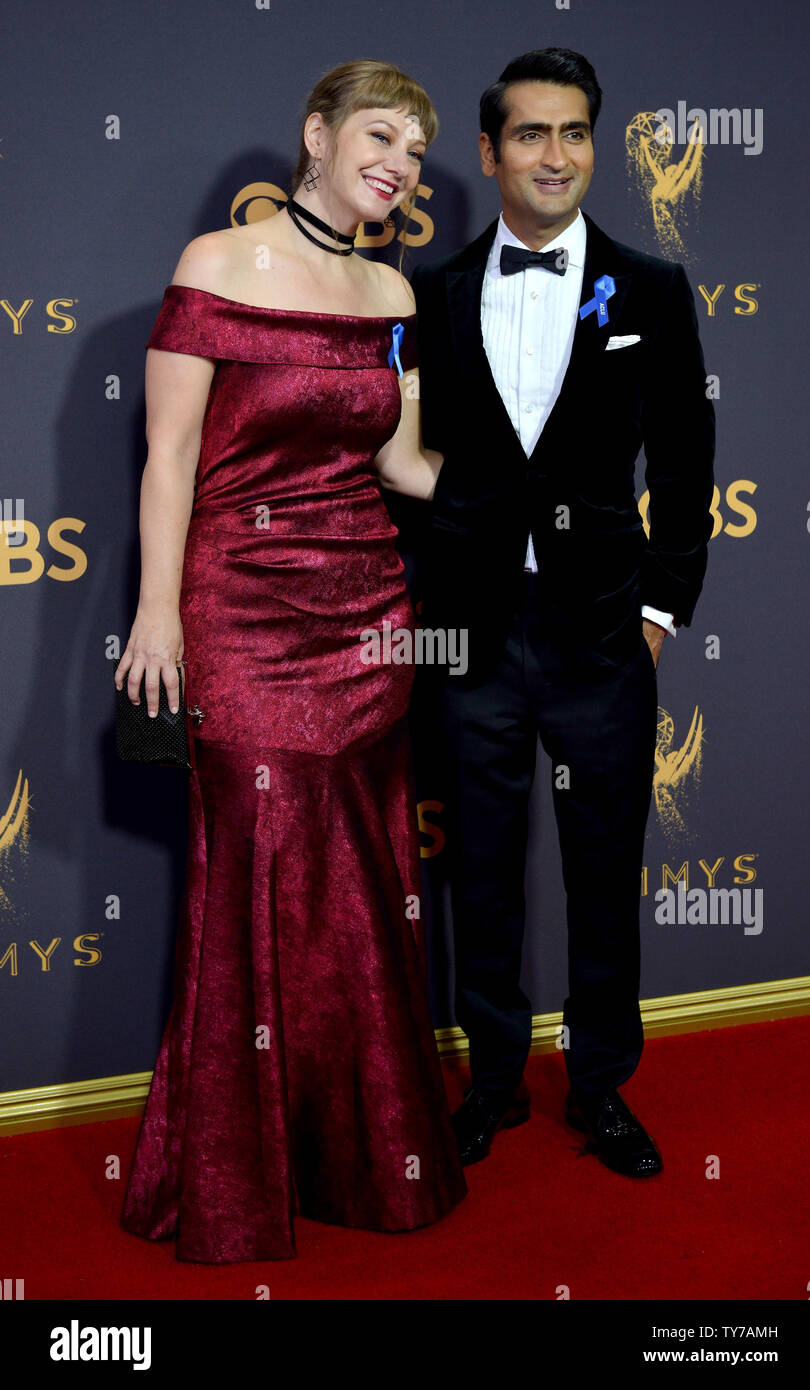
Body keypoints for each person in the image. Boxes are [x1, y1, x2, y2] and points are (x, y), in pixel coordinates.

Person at [116, 59, 466, 1264]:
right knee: (254, 863)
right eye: (381, 135)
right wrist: (157, 614)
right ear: (316, 134)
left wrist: (539, 495)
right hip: (241, 612)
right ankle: (234, 1175)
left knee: (361, 880)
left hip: (369, 615)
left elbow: (405, 469)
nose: (400, 164)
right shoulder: (217, 263)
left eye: (416, 151)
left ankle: (359, 1154)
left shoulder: (392, 290)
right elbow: (168, 459)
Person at [410, 47, 715, 1175]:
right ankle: (493, 1082)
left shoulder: (650, 287)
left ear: (594, 146)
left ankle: (600, 1087)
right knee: (479, 875)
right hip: (474, 639)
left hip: (600, 637)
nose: (556, 154)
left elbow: (687, 462)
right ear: (489, 154)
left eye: (575, 132)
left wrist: (659, 610)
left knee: (602, 874)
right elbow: (407, 466)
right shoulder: (431, 292)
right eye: (531, 134)